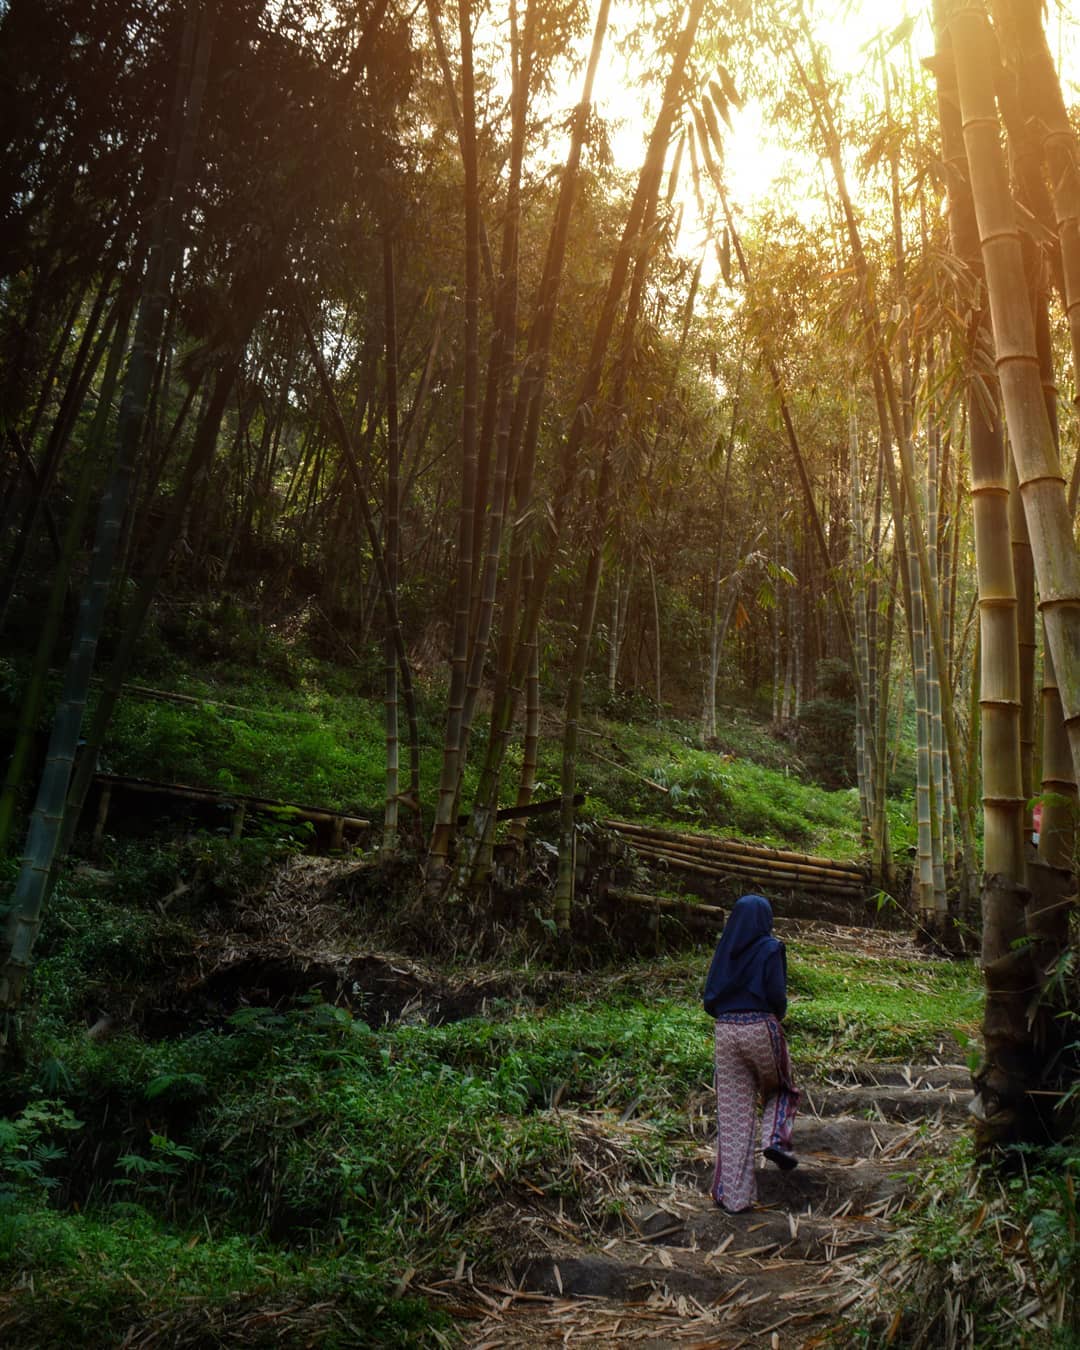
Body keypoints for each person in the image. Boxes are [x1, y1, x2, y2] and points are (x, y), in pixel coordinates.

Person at [703, 893, 800, 1213]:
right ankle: (775, 1140)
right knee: (781, 1087)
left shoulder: (725, 950)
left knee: (734, 1117)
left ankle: (735, 1198)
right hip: (760, 1027)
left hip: (725, 1031)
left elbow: (709, 998)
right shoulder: (770, 948)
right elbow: (777, 996)